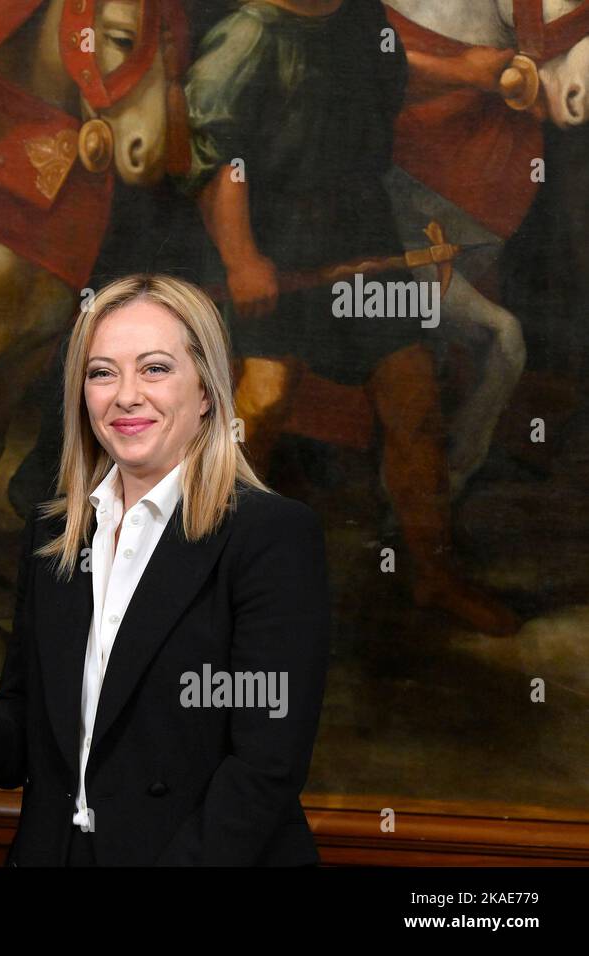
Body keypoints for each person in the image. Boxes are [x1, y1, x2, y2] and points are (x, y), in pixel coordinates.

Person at [0, 274, 332, 865]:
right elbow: (31, 736)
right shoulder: (57, 535)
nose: (126, 395)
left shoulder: (270, 536)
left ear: (209, 390)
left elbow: (266, 768)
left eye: (155, 369)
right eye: (102, 372)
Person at [183, 0, 518, 635]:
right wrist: (242, 256)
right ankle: (210, 591)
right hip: (273, 238)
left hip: (362, 231)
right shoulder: (249, 34)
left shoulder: (362, 18)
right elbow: (220, 158)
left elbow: (385, 67)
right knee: (262, 402)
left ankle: (434, 575)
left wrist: (466, 72)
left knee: (414, 401)